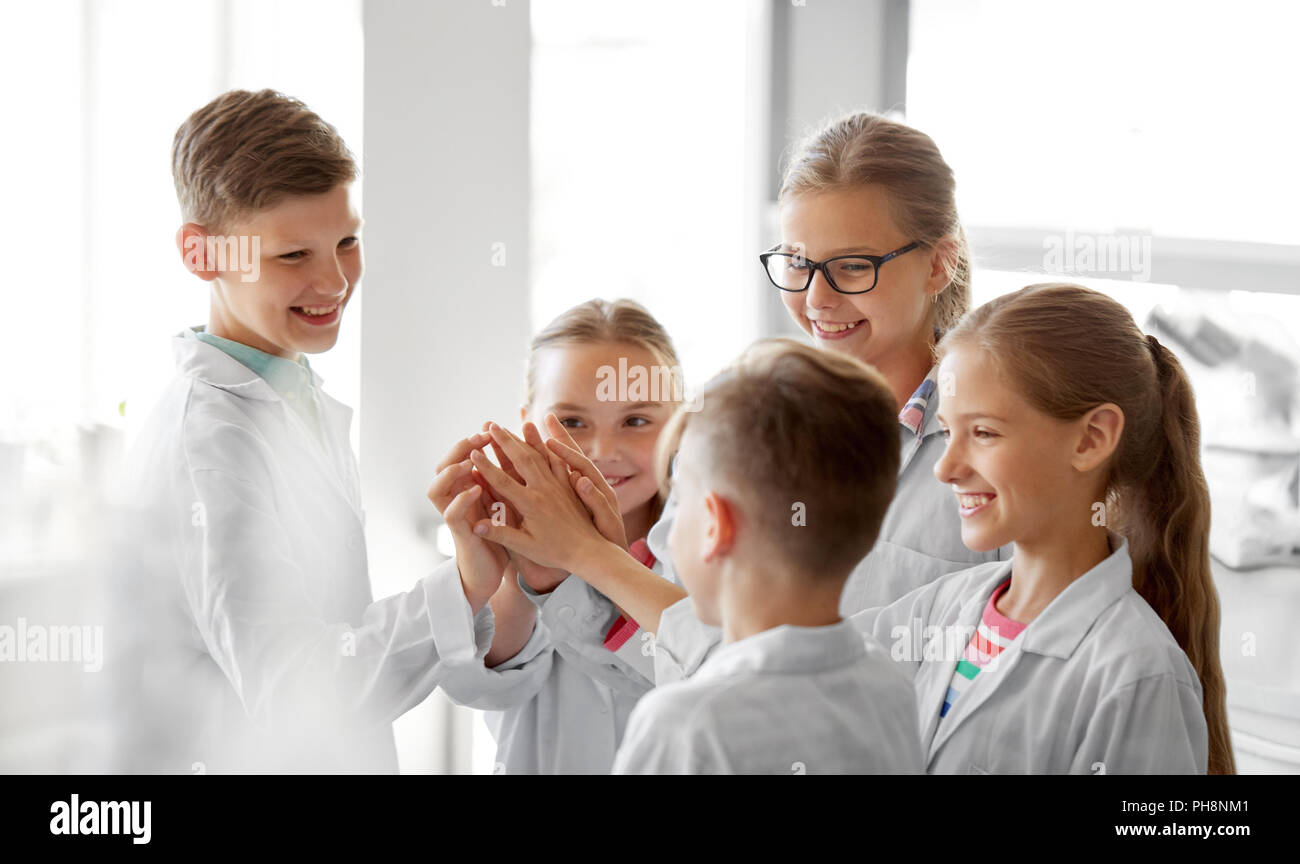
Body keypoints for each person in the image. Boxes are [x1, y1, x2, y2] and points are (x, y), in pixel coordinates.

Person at [108, 90, 491, 773]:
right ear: (201, 254)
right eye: (293, 256)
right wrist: (460, 588)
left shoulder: (286, 387)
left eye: (347, 241)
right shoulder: (212, 445)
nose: (334, 280)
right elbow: (298, 695)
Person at [855, 283, 1232, 774]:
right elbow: (808, 668)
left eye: (984, 433)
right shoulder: (944, 607)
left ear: (1091, 439)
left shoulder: (1138, 676)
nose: (945, 468)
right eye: (948, 431)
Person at [600, 340, 923, 773]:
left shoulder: (685, 726)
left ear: (715, 525)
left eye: (678, 499)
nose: (667, 533)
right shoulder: (890, 686)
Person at [424, 299, 683, 774]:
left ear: (679, 426)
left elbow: (707, 678)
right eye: (572, 422)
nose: (603, 451)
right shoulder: (502, 531)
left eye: (637, 420)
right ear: (526, 423)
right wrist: (513, 571)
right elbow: (485, 685)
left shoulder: (712, 550)